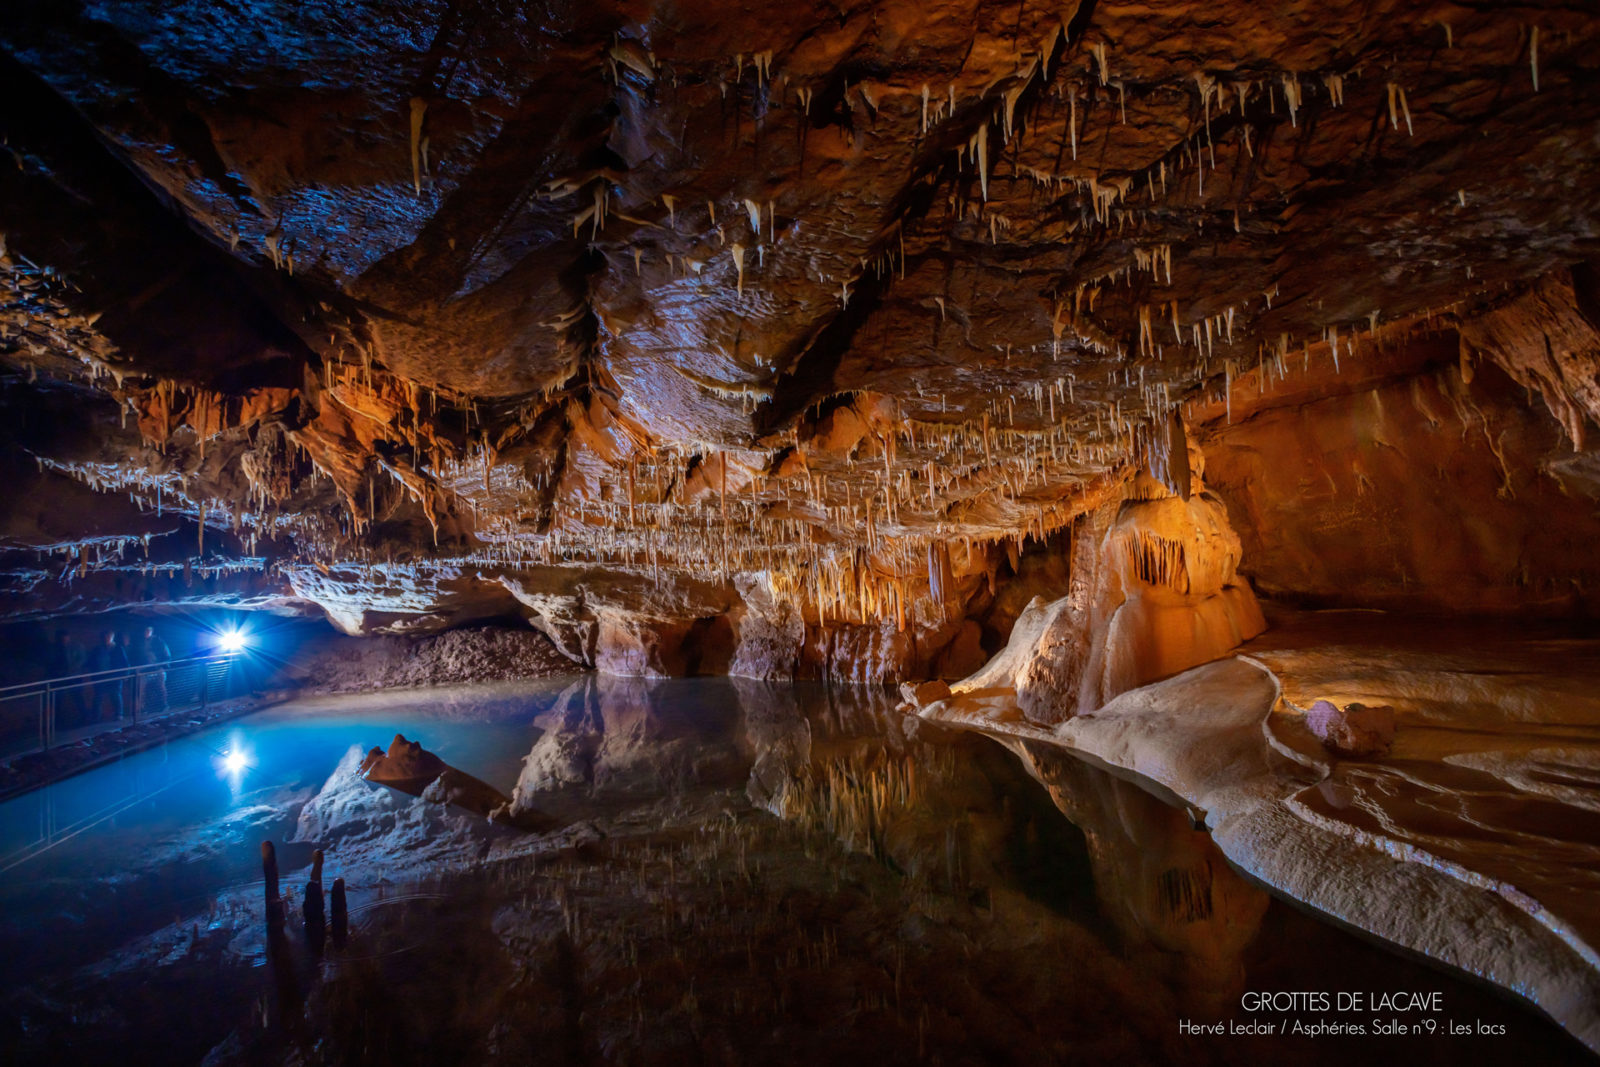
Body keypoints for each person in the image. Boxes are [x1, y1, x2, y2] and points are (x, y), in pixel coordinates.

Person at [91, 631, 129, 722]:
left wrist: (125, 674)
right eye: (105, 636)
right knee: (98, 696)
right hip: (101, 676)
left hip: (114, 676)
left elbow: (125, 662)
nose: (107, 638)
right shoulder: (98, 649)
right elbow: (92, 662)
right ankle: (96, 716)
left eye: (109, 636)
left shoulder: (118, 648)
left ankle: (119, 714)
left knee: (115, 695)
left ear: (112, 637)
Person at [134, 625, 171, 714]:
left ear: (151, 631)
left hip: (157, 668)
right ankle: (141, 709)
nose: (146, 633)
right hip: (145, 670)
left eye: (148, 631)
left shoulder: (158, 641)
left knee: (161, 687)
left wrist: (163, 665)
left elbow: (166, 654)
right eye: (144, 631)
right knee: (141, 689)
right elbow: (137, 656)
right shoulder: (140, 642)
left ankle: (164, 705)